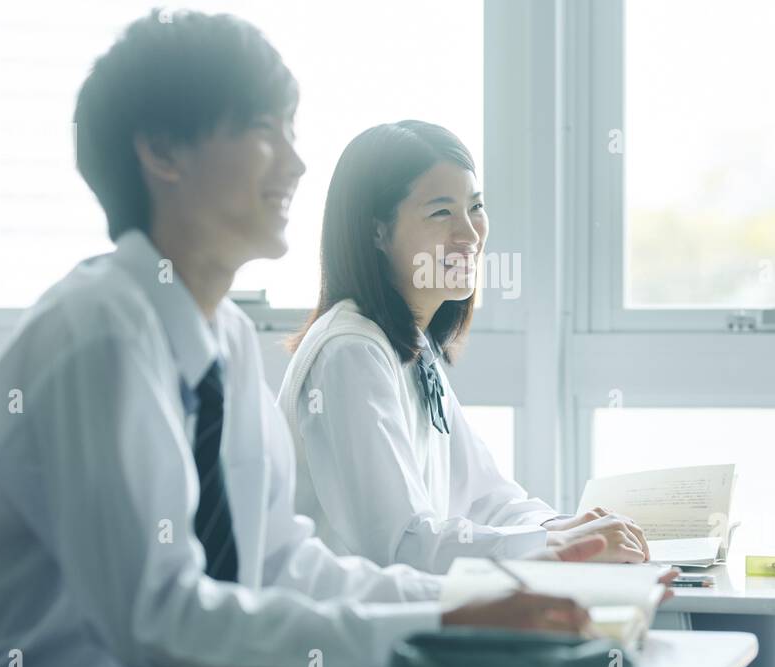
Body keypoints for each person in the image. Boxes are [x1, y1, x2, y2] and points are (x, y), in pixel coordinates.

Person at [0, 12, 601, 667]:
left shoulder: (227, 343)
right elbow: (164, 624)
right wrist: (443, 623)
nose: (297, 164)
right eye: (265, 131)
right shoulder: (98, 337)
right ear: (162, 151)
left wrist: (471, 604)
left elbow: (280, 564)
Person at [278, 120, 650, 574]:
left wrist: (568, 527)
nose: (470, 235)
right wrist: (557, 544)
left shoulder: (409, 344)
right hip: (347, 632)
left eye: (475, 207)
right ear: (377, 232)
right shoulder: (350, 354)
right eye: (440, 213)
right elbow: (402, 546)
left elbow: (484, 497)